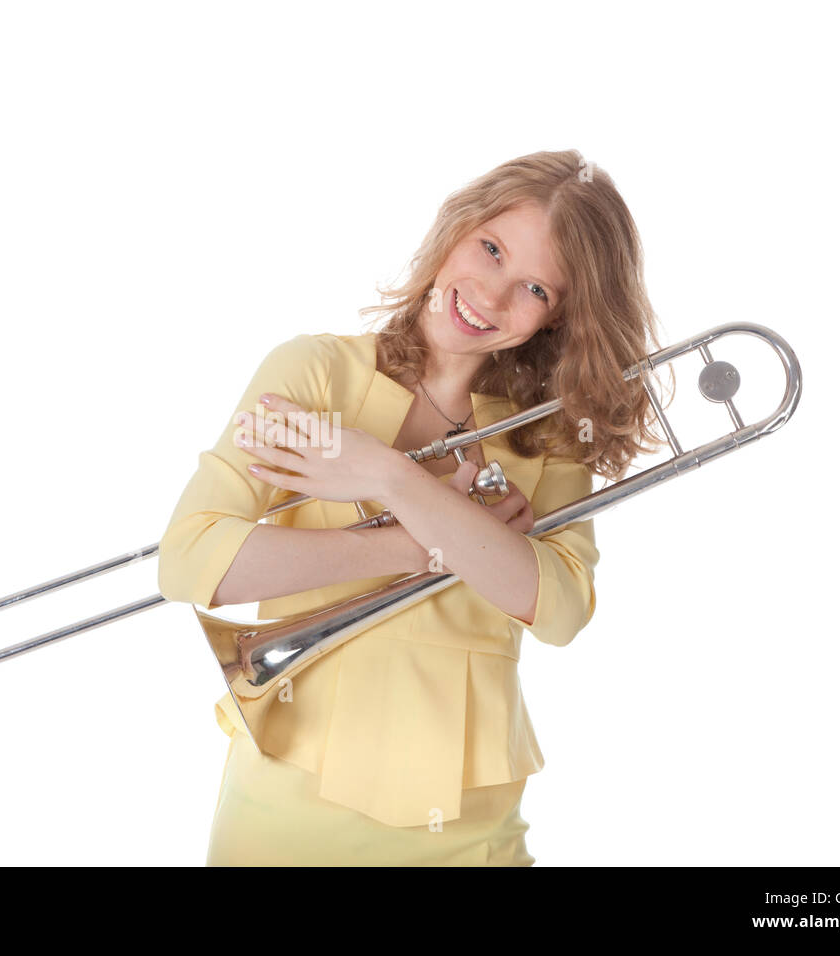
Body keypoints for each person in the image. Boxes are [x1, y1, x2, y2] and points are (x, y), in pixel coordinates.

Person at [157, 149, 665, 866]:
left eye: (535, 290)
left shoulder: (547, 434)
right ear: (457, 228)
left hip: (469, 826)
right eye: (490, 249)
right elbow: (187, 561)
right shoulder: (316, 372)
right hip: (287, 806)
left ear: (562, 318)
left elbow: (560, 611)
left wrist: (391, 477)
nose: (489, 297)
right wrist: (416, 539)